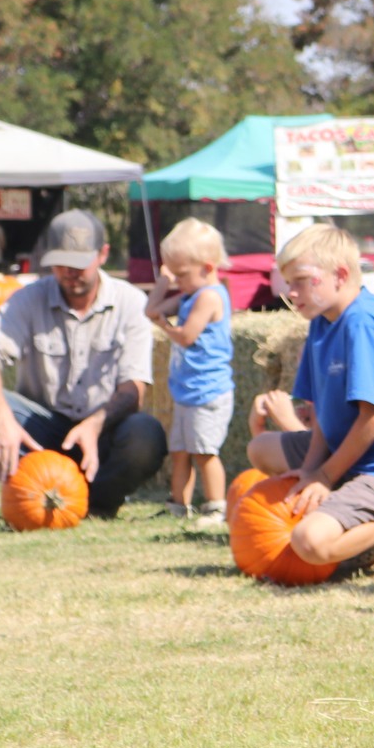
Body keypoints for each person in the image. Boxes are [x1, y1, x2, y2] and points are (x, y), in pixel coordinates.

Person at [245, 224, 374, 572]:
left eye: (301, 280)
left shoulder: (362, 323)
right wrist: (309, 470)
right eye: (287, 282)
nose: (290, 292)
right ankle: (347, 504)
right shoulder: (321, 321)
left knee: (309, 542)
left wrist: (324, 476)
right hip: (346, 455)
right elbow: (323, 415)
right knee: (259, 448)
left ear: (340, 275)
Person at [0, 209, 168, 518]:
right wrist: (2, 419)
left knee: (145, 434)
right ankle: (37, 491)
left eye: (80, 263)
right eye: (62, 262)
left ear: (103, 254)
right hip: (41, 432)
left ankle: (94, 502)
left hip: (103, 431)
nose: (71, 271)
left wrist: (94, 425)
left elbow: (134, 388)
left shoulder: (131, 303)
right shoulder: (27, 299)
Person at [145, 219, 235, 524]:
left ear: (207, 267)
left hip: (208, 391)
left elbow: (186, 336)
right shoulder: (188, 294)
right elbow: (150, 309)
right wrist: (163, 281)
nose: (178, 282)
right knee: (180, 451)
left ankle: (215, 506)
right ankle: (177, 505)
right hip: (188, 390)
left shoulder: (209, 297)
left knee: (204, 451)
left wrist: (164, 326)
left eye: (181, 275)